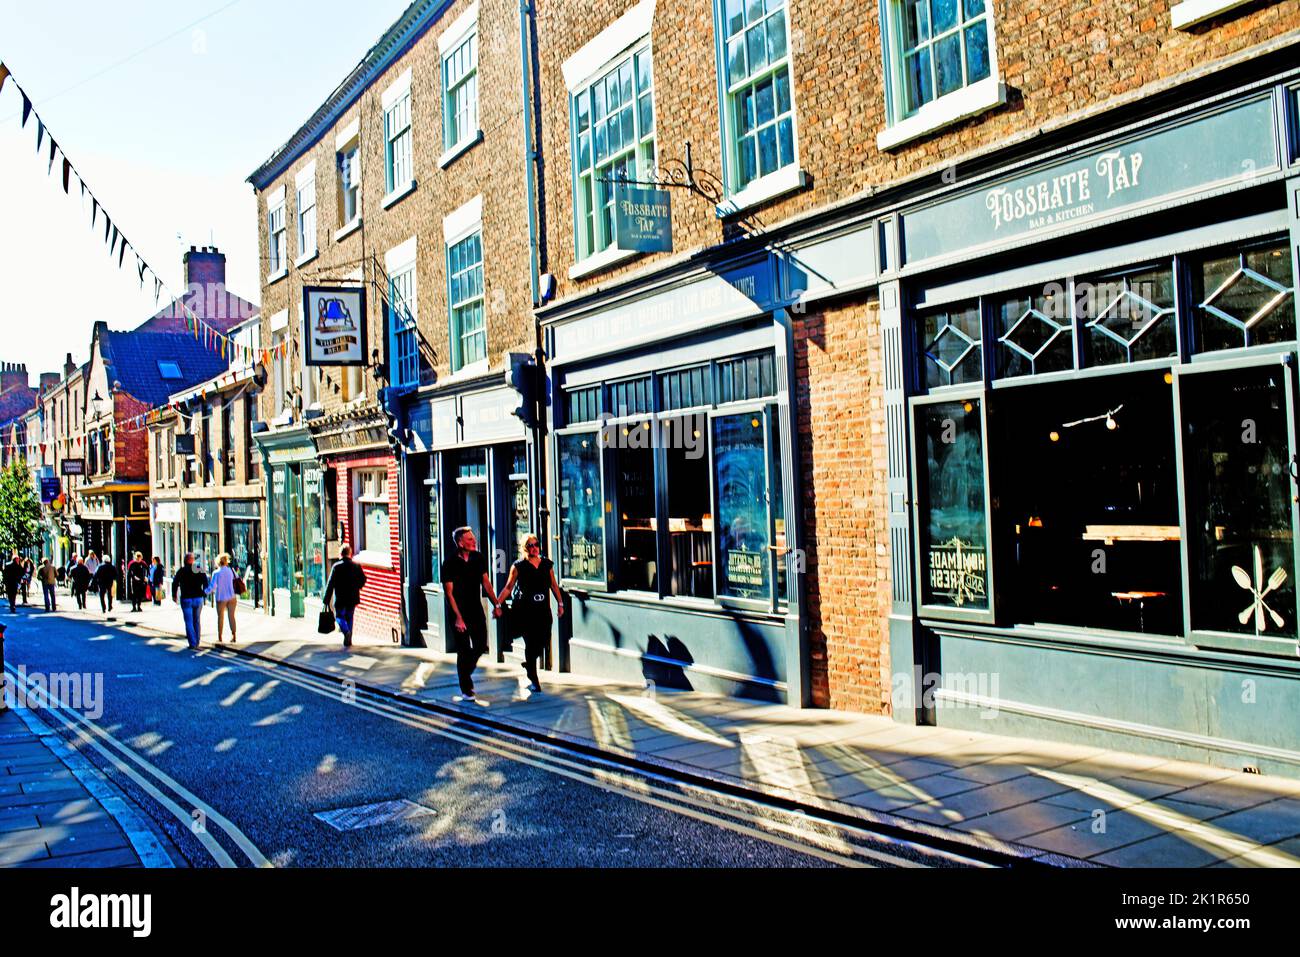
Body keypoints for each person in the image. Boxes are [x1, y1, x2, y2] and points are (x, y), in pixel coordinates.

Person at [496, 535, 564, 694]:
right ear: (524, 548)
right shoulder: (518, 566)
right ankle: (533, 677)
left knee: (544, 640)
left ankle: (529, 663)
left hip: (543, 610)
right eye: (530, 545)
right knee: (531, 643)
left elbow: (554, 585)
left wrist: (560, 603)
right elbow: (508, 587)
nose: (534, 548)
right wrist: (498, 603)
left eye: (536, 544)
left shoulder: (547, 564)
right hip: (525, 611)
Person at [441, 527, 502, 702]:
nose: (474, 542)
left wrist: (496, 604)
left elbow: (486, 583)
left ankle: (465, 673)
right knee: (463, 649)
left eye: (473, 539)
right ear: (460, 542)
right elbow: (449, 593)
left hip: (476, 609)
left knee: (481, 645)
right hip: (458, 612)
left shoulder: (478, 558)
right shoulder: (450, 562)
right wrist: (458, 618)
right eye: (469, 540)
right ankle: (466, 688)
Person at [322, 544, 366, 648]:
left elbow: (330, 584)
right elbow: (363, 579)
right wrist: (357, 587)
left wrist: (326, 599)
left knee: (339, 617)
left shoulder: (337, 567)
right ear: (350, 553)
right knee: (350, 617)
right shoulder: (356, 566)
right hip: (352, 597)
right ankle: (348, 639)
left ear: (341, 554)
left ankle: (346, 632)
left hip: (341, 598)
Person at [172, 553, 208, 649]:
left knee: (189, 622)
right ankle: (197, 641)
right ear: (192, 560)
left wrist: (174, 595)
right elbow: (206, 582)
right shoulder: (199, 569)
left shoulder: (181, 571)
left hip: (186, 598)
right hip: (198, 598)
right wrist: (204, 593)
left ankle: (192, 643)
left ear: (185, 561)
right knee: (196, 620)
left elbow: (175, 583)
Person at [206, 553, 239, 643]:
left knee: (220, 617)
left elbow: (213, 586)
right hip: (232, 596)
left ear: (218, 562)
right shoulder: (231, 571)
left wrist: (205, 592)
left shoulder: (216, 573)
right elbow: (237, 578)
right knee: (232, 616)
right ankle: (234, 636)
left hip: (221, 597)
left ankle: (220, 637)